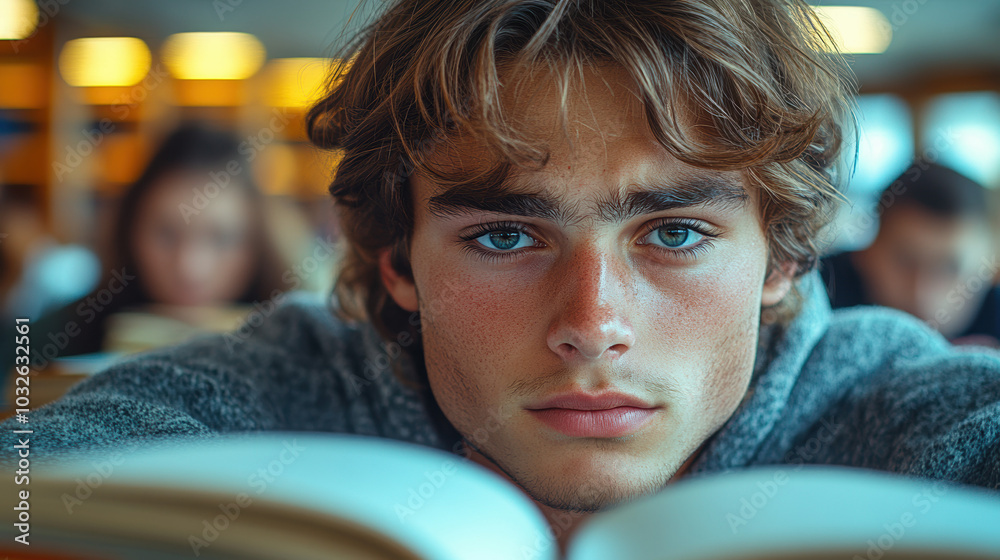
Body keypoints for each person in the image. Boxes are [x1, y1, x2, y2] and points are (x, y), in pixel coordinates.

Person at [3, 0, 999, 555]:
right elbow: (30, 477)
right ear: (397, 260)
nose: (592, 324)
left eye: (677, 233)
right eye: (505, 239)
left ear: (783, 254)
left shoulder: (888, 398)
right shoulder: (305, 372)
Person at [20, 124, 289, 369]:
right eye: (165, 234)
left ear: (258, 241)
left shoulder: (298, 339)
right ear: (130, 230)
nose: (190, 268)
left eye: (221, 238)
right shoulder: (53, 338)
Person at [820, 162, 999, 347]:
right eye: (904, 260)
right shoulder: (817, 294)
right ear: (866, 254)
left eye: (948, 268)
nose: (921, 292)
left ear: (990, 270)